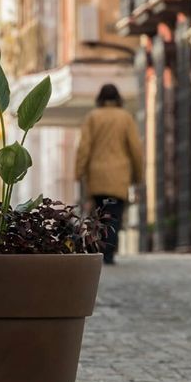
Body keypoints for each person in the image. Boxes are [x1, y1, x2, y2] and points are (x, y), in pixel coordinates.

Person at [75, 84, 144, 265]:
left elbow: (84, 148)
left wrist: (79, 172)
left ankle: (98, 248)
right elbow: (136, 150)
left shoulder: (93, 118)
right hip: (118, 177)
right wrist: (138, 177)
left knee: (99, 214)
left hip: (96, 176)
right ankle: (109, 252)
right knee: (114, 215)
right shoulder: (125, 118)